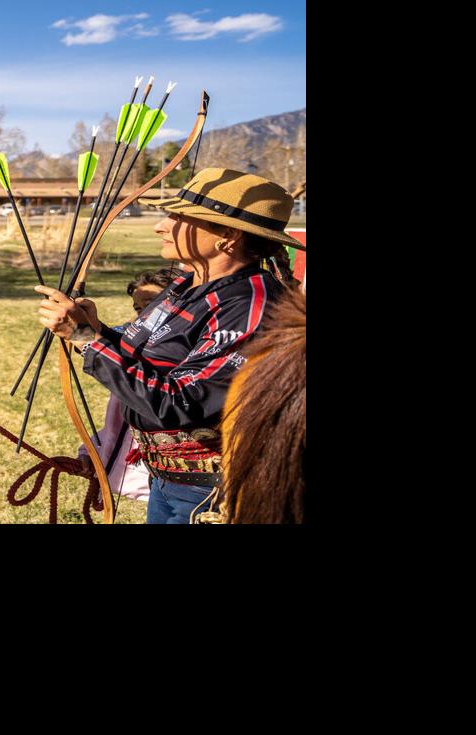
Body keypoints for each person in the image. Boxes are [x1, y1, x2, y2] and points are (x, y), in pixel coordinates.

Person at [36, 168, 305, 524]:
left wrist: (86, 339)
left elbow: (179, 400)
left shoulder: (251, 304)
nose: (161, 226)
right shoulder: (188, 284)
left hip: (211, 494)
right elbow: (153, 355)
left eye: (179, 217)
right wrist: (95, 330)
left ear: (229, 235)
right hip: (165, 480)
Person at [78, 266, 184, 505]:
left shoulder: (176, 349)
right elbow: (119, 424)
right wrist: (91, 450)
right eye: (138, 308)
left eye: (152, 305)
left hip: (174, 474)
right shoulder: (134, 337)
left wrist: (80, 333)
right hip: (152, 479)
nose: (142, 316)